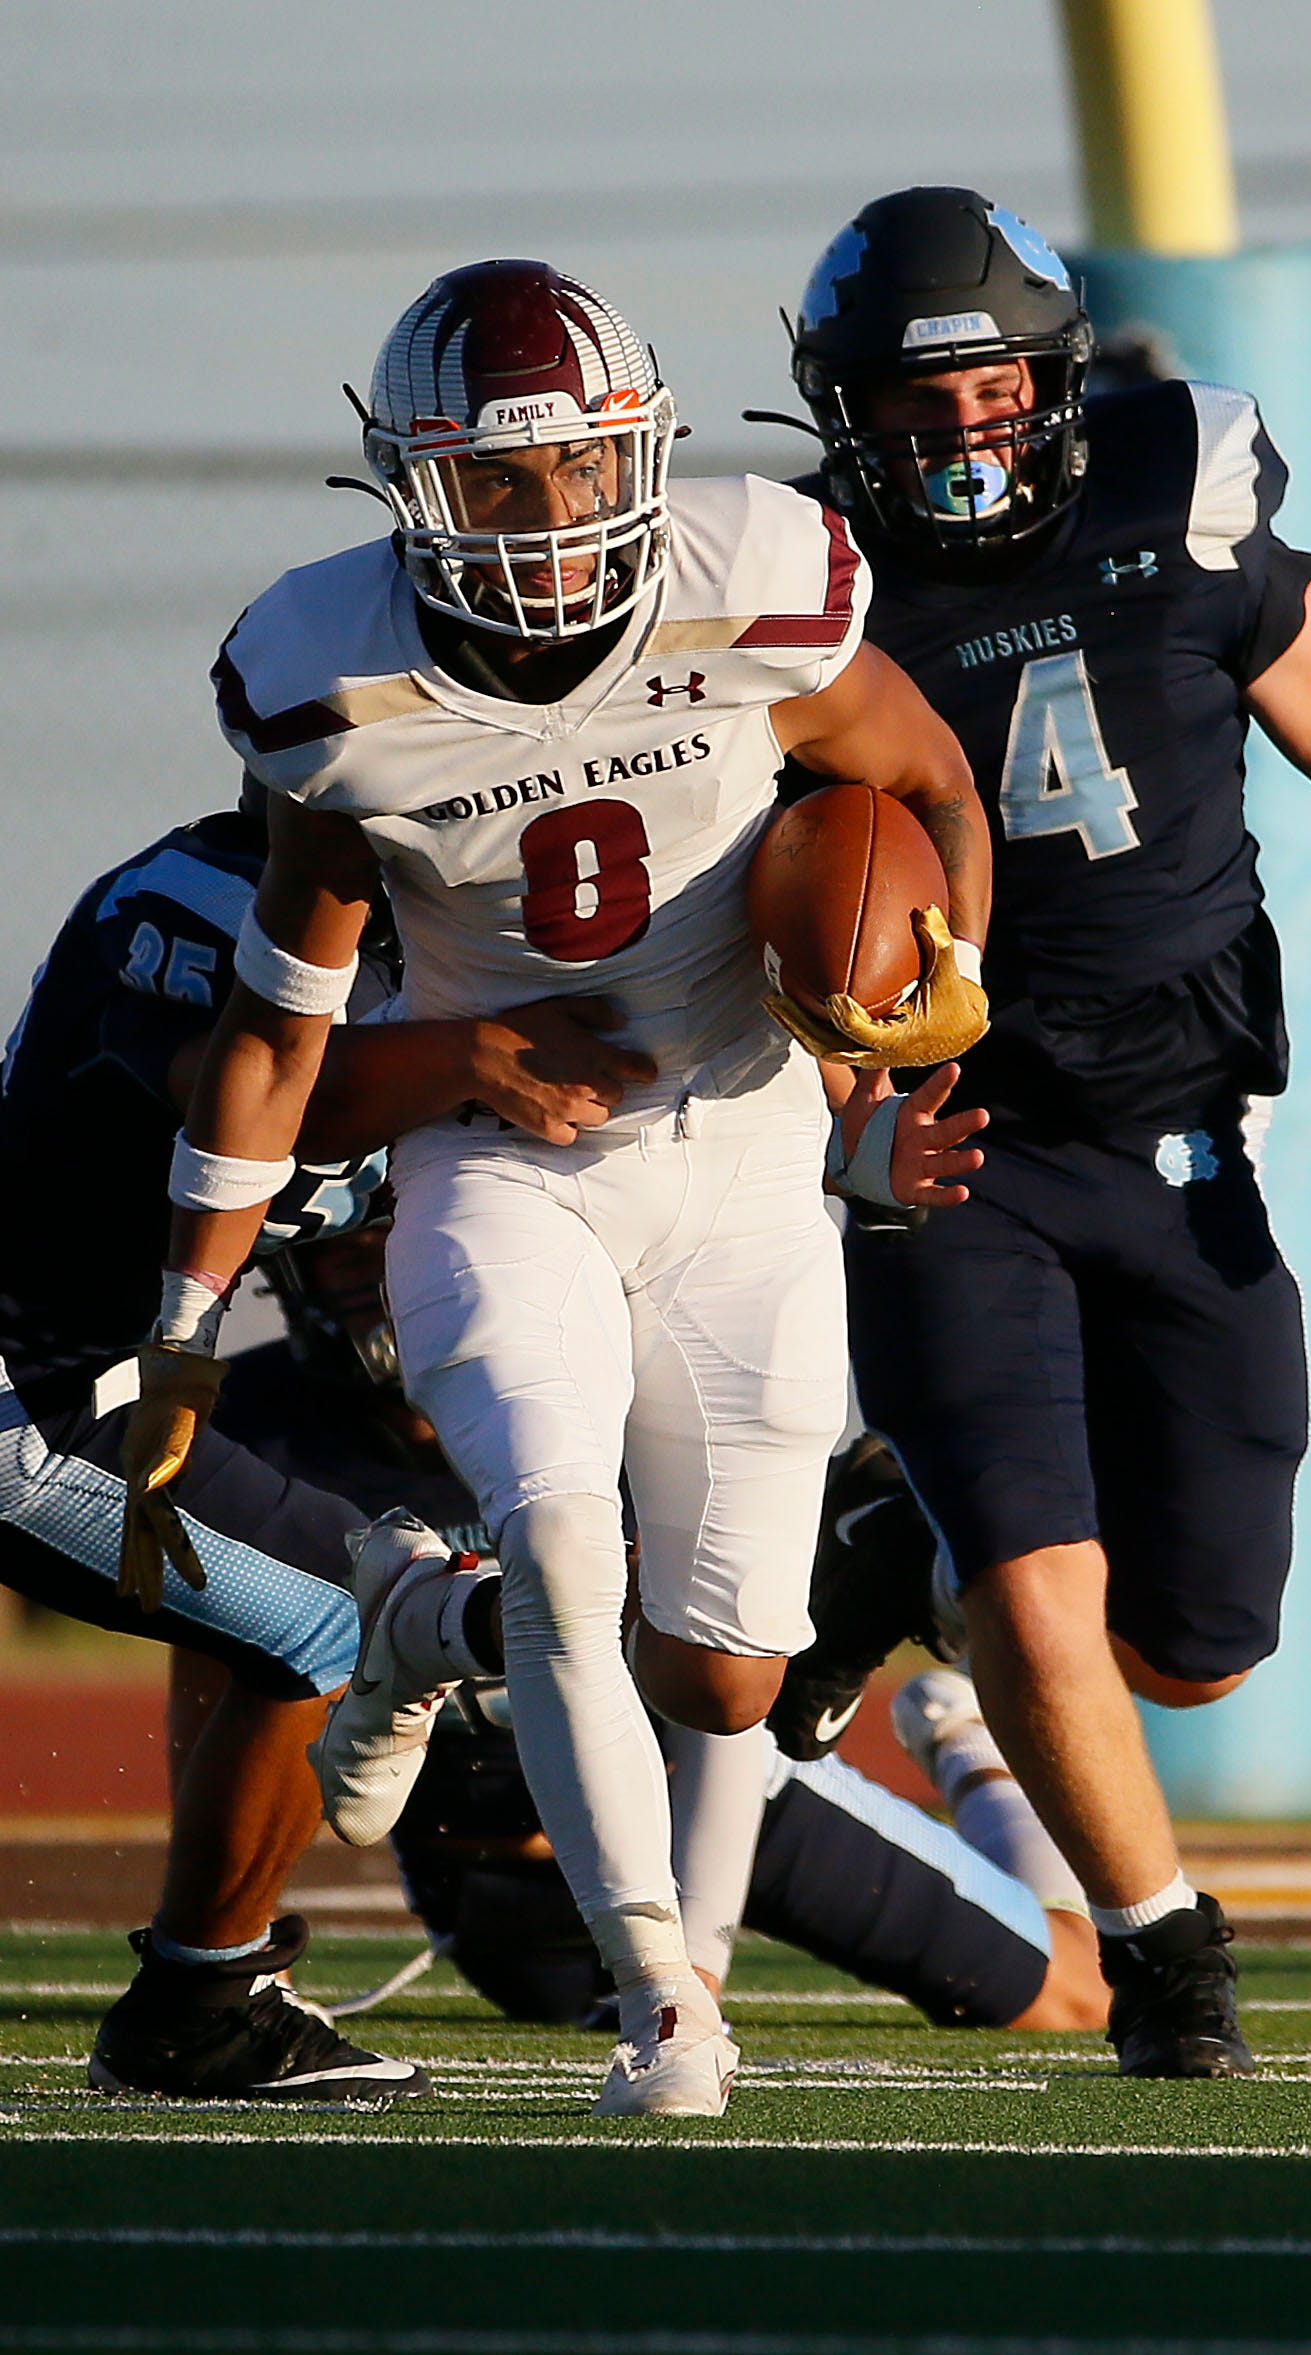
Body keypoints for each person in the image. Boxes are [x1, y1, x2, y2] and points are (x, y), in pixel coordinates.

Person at [122, 258, 993, 2117]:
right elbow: (275, 1033)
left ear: (640, 452)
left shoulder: (754, 579)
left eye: (579, 467)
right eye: (495, 478)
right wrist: (188, 1318)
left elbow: (928, 785)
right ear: (412, 484)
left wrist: (932, 1002)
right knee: (561, 1543)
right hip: (504, 1171)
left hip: (745, 1158)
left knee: (727, 1682)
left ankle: (412, 1643)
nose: (545, 516)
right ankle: (662, 1998)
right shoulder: (337, 684)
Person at [763, 186, 1311, 2077]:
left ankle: (889, 1554)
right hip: (955, 1145)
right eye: (912, 407)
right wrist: (846, 1128)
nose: (957, 436)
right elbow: (755, 923)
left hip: (1181, 1137)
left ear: (1058, 381)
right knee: (1036, 1581)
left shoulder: (1181, 485)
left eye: (991, 393)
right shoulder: (797, 587)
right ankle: (1164, 1953)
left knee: (1197, 1650)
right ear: (844, 414)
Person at [224, 1236, 1107, 2036]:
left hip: (702, 1788)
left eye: (397, 1247)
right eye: (351, 1258)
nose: (385, 1285)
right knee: (555, 2009)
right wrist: (240, 1936)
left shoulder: (602, 1391)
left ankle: (967, 1751)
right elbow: (239, 1679)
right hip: (486, 1862)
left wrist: (695, 1966)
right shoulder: (260, 1421)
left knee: (1076, 1995)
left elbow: (721, 1704)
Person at [0, 802, 431, 2100]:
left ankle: (204, 1998)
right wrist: (482, 1055)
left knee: (351, 1602)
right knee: (350, 1611)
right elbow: (257, 1087)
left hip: (79, 1380)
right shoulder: (205, 895)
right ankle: (198, 2007)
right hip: (32, 1385)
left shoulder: (419, 936)